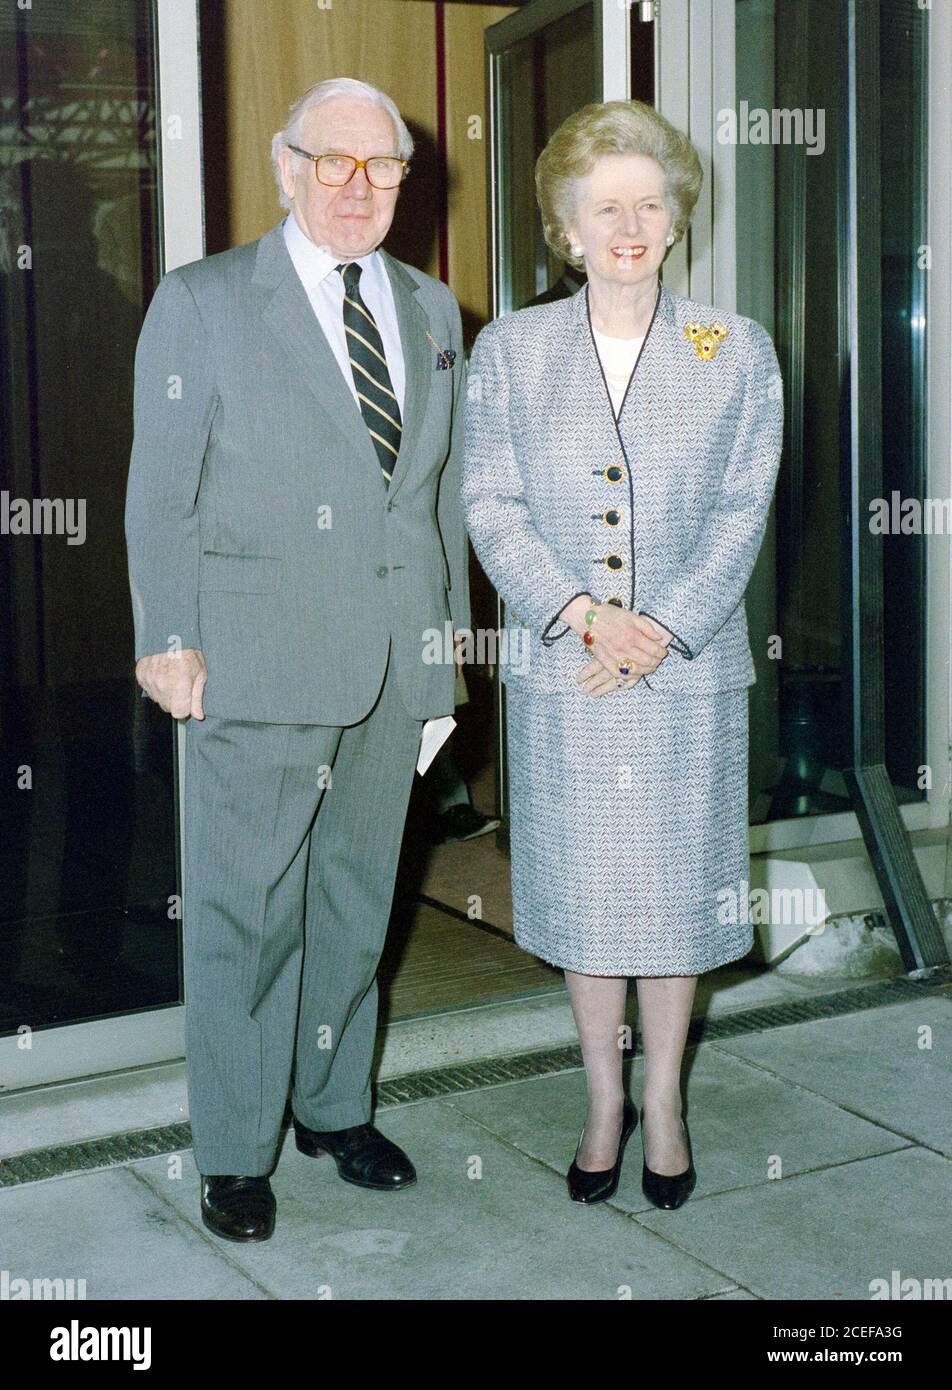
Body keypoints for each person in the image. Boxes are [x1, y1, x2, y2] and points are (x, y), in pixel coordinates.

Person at [125, 78, 470, 1242]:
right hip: (254, 658)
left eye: (383, 167)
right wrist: (165, 637)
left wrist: (442, 664)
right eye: (334, 162)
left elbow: (438, 503)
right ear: (286, 168)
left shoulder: (431, 307)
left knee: (355, 899)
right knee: (243, 912)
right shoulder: (207, 302)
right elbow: (158, 492)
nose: (359, 187)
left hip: (389, 664)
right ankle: (234, 1144)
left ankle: (330, 1105)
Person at [462, 99, 783, 1210]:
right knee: (588, 895)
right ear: (565, 225)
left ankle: (671, 1103)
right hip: (569, 673)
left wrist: (666, 626)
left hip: (686, 676)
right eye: (606, 207)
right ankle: (603, 1096)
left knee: (671, 896)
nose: (630, 225)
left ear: (676, 216)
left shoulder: (732, 348)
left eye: (649, 203)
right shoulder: (510, 351)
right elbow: (490, 504)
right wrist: (582, 614)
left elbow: (744, 509)